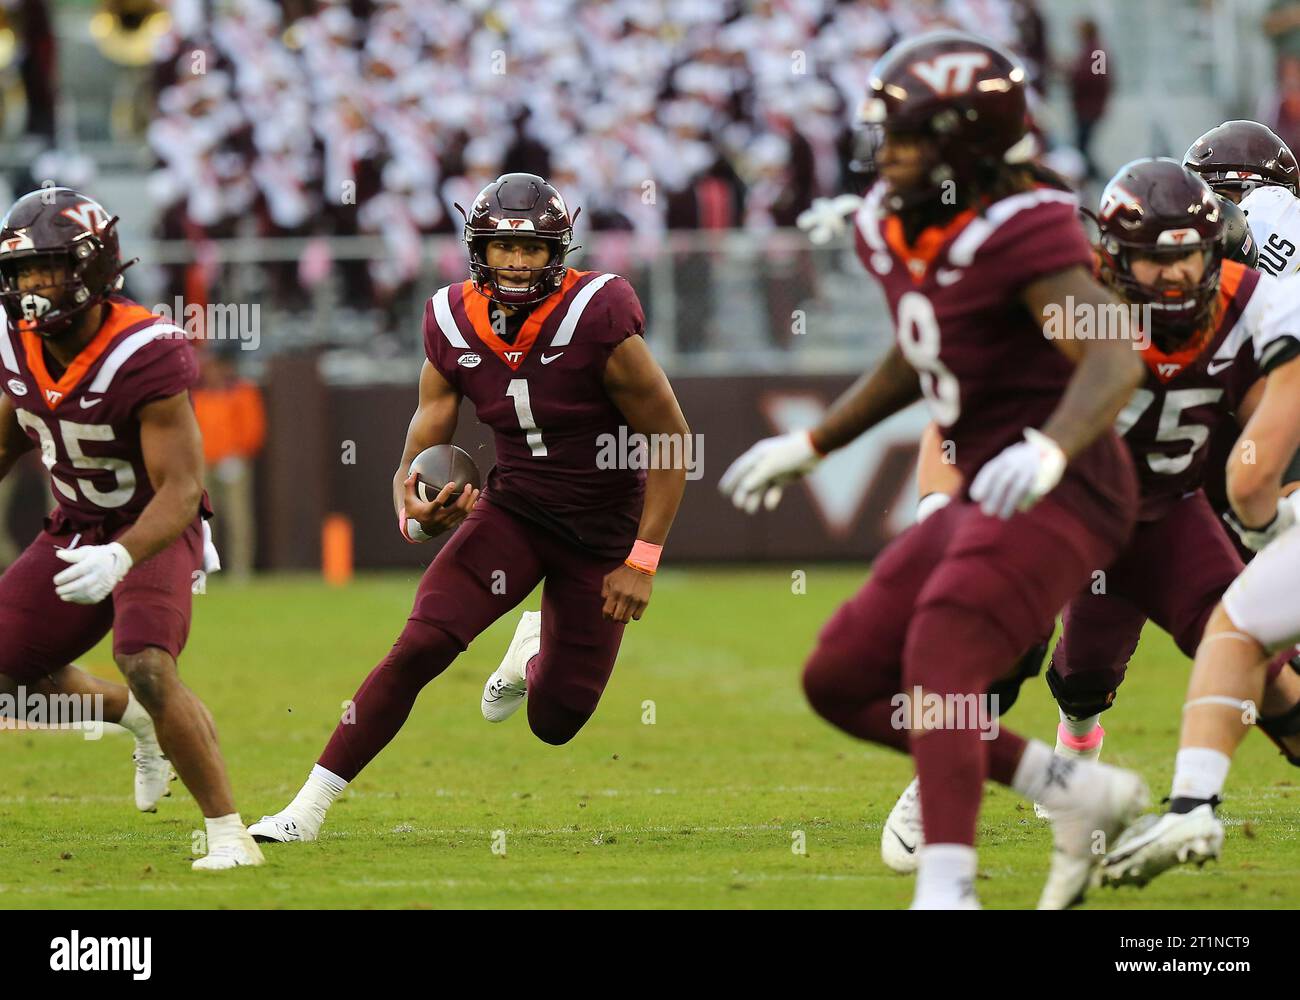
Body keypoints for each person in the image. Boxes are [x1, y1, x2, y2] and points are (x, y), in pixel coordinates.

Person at [720, 32, 1149, 910]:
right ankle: (1071, 789)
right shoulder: (895, 217)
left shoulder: (1022, 226)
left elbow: (1111, 353)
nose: (887, 155)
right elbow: (921, 350)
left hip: (1065, 486)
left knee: (941, 660)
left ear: (964, 144)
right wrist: (816, 443)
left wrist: (1052, 446)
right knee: (836, 678)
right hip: (984, 486)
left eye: (907, 138)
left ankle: (947, 888)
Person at [249, 173, 690, 845]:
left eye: (534, 251)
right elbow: (427, 427)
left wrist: (644, 558)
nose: (517, 264)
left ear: (557, 253)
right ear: (477, 248)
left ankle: (531, 649)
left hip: (601, 531)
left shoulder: (597, 313)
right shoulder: (450, 316)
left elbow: (671, 437)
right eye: (504, 249)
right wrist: (414, 508)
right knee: (420, 644)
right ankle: (306, 809)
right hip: (513, 509)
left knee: (557, 720)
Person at [0, 188, 262, 870]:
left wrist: (121, 556)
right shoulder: (18, 344)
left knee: (146, 660)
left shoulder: (145, 349)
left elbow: (180, 487)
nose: (30, 289)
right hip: (73, 526)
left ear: (90, 268)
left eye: (46, 270)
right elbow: (6, 442)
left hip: (153, 528)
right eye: (22, 273)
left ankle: (229, 833)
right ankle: (131, 718)